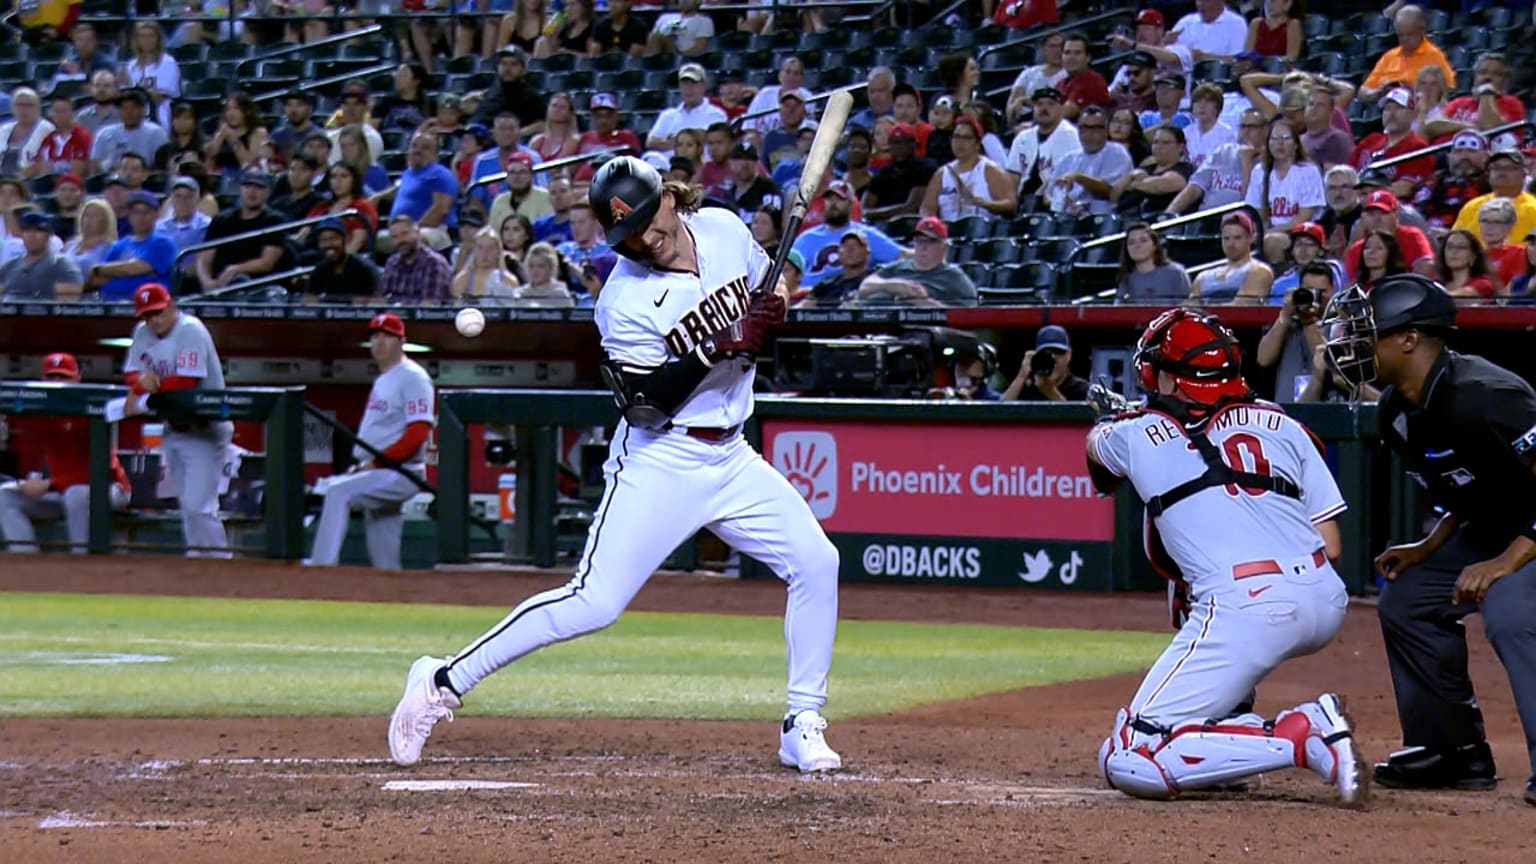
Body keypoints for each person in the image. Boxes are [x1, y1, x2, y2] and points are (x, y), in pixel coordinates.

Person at [386, 156, 843, 778]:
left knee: (817, 561)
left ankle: (801, 723)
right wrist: (717, 345)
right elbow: (645, 406)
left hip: (733, 454)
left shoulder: (725, 230)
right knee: (593, 602)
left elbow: (773, 285)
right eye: (631, 238)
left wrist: (776, 309)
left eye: (653, 227)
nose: (648, 243)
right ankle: (440, 681)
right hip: (663, 458)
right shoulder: (623, 298)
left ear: (670, 201)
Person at [1087, 306, 1363, 805]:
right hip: (1325, 598)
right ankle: (1231, 725)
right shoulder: (1284, 424)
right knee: (1205, 613)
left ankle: (1302, 735)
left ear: (1164, 375)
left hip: (1245, 606)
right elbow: (1334, 543)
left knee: (1129, 754)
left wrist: (1124, 419)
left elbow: (1098, 464)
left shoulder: (1132, 432)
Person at [1321, 274, 1536, 808]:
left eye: (1369, 332)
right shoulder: (1397, 412)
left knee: (1511, 610)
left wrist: (1506, 562)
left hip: (1528, 537)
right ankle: (1453, 750)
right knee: (1408, 597)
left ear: (1410, 339)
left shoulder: (1489, 396)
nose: (1356, 344)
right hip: (1496, 532)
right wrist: (1428, 548)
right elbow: (1463, 491)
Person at [308, 314, 433, 569]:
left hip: (398, 470)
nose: (379, 342)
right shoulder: (385, 378)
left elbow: (418, 431)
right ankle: (391, 590)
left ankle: (321, 568)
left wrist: (375, 463)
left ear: (401, 341)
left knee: (338, 492)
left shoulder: (413, 376)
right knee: (384, 554)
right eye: (375, 337)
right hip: (380, 468)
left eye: (387, 336)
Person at [120, 283, 230, 558]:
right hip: (174, 428)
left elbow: (186, 380)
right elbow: (131, 372)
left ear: (171, 306)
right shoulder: (143, 332)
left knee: (199, 507)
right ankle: (196, 566)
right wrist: (140, 381)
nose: (153, 320)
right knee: (188, 508)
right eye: (147, 315)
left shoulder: (190, 329)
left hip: (206, 428)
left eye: (157, 312)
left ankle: (222, 564)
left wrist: (146, 385)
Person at [0, 353, 131, 554]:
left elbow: (100, 472)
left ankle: (82, 560)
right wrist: (32, 482)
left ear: (77, 380)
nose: (57, 383)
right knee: (5, 495)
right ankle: (26, 560)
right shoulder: (42, 414)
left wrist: (49, 484)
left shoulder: (92, 410)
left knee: (76, 494)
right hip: (63, 491)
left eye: (63, 378)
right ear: (43, 381)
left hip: (110, 489)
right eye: (51, 378)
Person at [1257, 261, 1336, 402]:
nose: (1316, 296)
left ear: (1332, 290)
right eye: (1310, 291)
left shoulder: (1339, 323)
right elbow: (1264, 359)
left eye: (1322, 291)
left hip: (1324, 410)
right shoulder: (1286, 322)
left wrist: (1309, 322)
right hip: (1286, 411)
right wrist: (1285, 316)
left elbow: (1329, 365)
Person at [1192, 212, 1274, 304]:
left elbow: (1241, 309)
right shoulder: (1202, 277)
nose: (1231, 244)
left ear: (1251, 238)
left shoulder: (1260, 271)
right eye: (1226, 238)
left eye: (1237, 238)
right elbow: (1189, 308)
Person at [1003, 324, 1090, 401]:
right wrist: (1021, 376)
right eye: (1046, 352)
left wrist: (1051, 392)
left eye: (1058, 352)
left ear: (1068, 355)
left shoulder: (1082, 390)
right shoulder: (1028, 388)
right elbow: (1000, 412)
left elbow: (1076, 418)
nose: (1053, 358)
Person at [1115, 223, 1190, 304]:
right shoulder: (1126, 277)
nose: (1137, 246)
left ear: (1154, 245)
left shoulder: (1176, 272)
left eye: (1143, 241)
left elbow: (1186, 307)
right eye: (1131, 242)